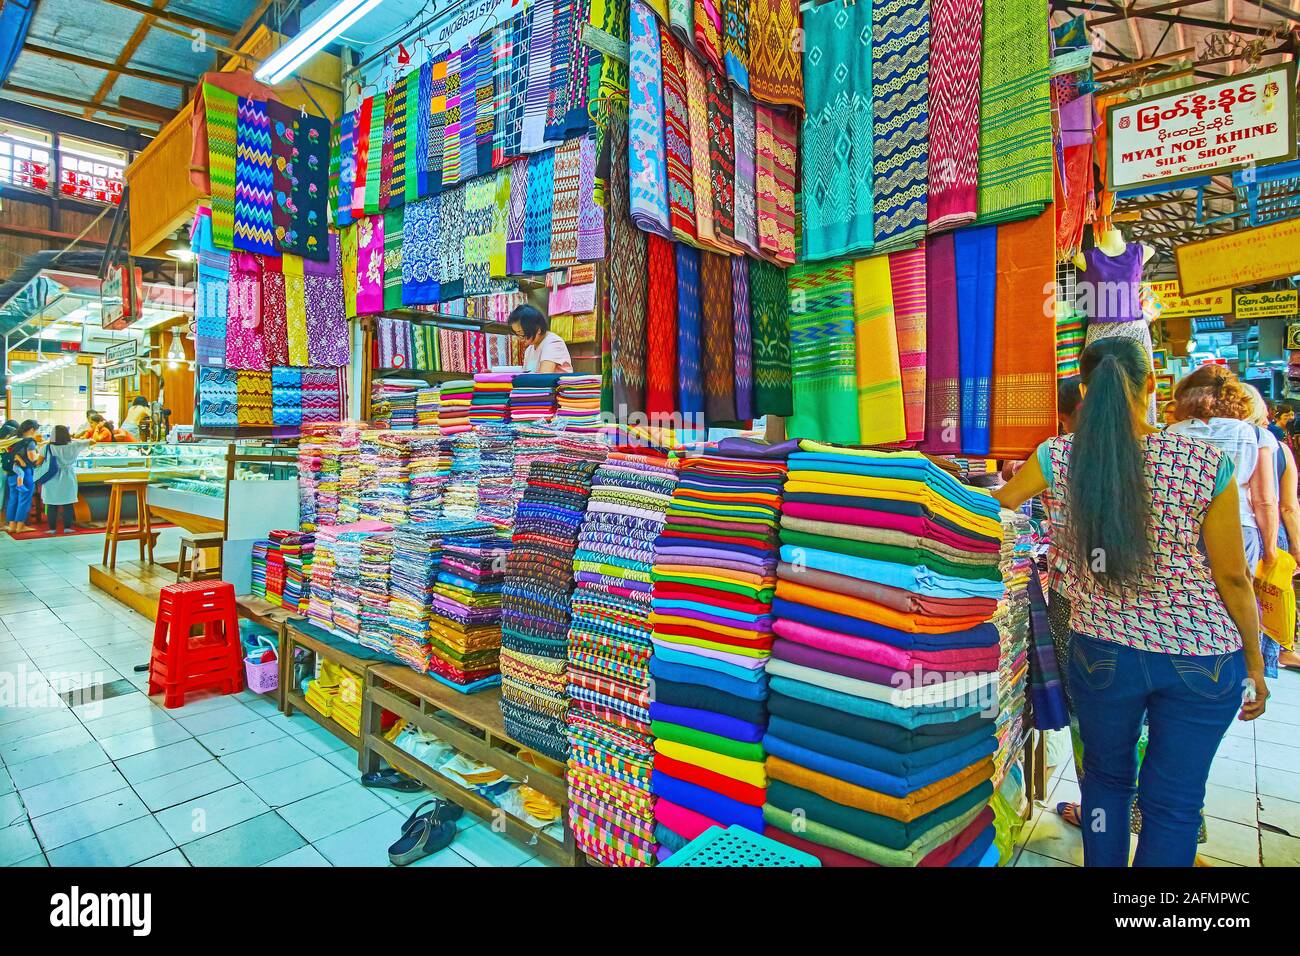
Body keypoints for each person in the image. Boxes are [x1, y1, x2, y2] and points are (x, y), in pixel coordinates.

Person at [995, 338, 1266, 867]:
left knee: (1106, 784)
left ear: (1086, 388)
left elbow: (993, 510)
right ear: (1151, 386)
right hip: (1203, 658)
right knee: (1174, 804)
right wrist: (1255, 662)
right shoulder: (1204, 464)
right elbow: (1233, 578)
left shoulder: (1058, 457)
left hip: (1102, 655)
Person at [1167, 365, 1279, 570]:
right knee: (1238, 595)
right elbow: (1264, 500)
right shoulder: (1255, 434)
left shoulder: (1169, 433)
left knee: (1190, 598)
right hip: (1238, 527)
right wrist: (1270, 552)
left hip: (1182, 530)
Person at [36, 425, 94, 535]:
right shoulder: (74, 445)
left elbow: (38, 462)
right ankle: (67, 527)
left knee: (52, 504)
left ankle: (52, 529)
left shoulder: (47, 447)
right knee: (68, 503)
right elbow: (93, 441)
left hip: (51, 478)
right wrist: (75, 438)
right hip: (68, 477)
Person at [5, 420, 43, 535]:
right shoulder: (30, 441)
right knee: (24, 499)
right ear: (32, 429)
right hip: (25, 473)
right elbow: (32, 458)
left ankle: (11, 525)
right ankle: (20, 526)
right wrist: (40, 454)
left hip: (12, 472)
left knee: (13, 499)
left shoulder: (13, 439)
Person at [510, 304, 573, 374]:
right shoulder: (529, 349)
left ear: (538, 330)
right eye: (516, 334)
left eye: (521, 333)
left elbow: (544, 377)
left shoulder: (553, 343)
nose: (519, 338)